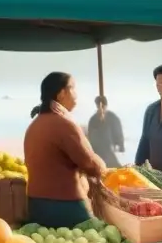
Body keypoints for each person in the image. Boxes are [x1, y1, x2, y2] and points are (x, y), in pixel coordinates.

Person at [24, 72, 106, 228]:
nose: (76, 94)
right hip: (66, 207)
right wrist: (104, 171)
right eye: (73, 88)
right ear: (62, 93)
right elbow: (90, 164)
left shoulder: (34, 125)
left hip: (36, 206)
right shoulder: (63, 124)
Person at [87, 96, 125, 168]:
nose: (101, 108)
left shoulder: (113, 118)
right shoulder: (93, 119)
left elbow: (119, 133)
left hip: (110, 151)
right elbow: (90, 136)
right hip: (98, 151)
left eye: (103, 106)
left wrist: (120, 146)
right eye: (98, 106)